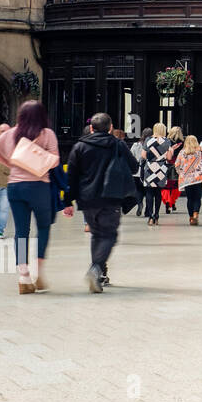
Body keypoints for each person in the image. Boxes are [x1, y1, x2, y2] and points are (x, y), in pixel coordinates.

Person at [0, 101, 63, 294]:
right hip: (38, 187)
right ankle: (39, 272)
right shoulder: (47, 134)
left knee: (21, 231)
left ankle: (23, 275)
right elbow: (55, 162)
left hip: (15, 187)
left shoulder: (11, 133)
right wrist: (38, 159)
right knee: (43, 227)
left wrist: (10, 163)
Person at [66, 112, 139, 293]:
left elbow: (72, 175)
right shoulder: (117, 144)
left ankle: (100, 273)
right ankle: (96, 269)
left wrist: (68, 200)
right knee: (109, 236)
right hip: (110, 196)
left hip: (87, 198)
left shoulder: (80, 146)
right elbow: (134, 166)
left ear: (91, 128)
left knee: (97, 234)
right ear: (111, 128)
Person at [173, 134, 202, 226]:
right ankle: (195, 214)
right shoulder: (201, 150)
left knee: (190, 198)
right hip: (198, 178)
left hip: (186, 179)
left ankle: (191, 217)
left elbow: (177, 165)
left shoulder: (182, 152)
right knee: (197, 198)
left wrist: (181, 173)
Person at [142, 124, 170, 225]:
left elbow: (143, 155)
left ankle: (150, 217)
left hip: (150, 168)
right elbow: (169, 157)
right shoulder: (167, 141)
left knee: (149, 193)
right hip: (161, 168)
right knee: (158, 193)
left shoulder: (148, 140)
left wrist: (152, 160)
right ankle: (157, 216)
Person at [164, 126, 184, 213]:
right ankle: (173, 202)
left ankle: (168, 204)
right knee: (176, 186)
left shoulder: (166, 141)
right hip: (177, 165)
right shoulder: (182, 143)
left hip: (167, 164)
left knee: (167, 186)